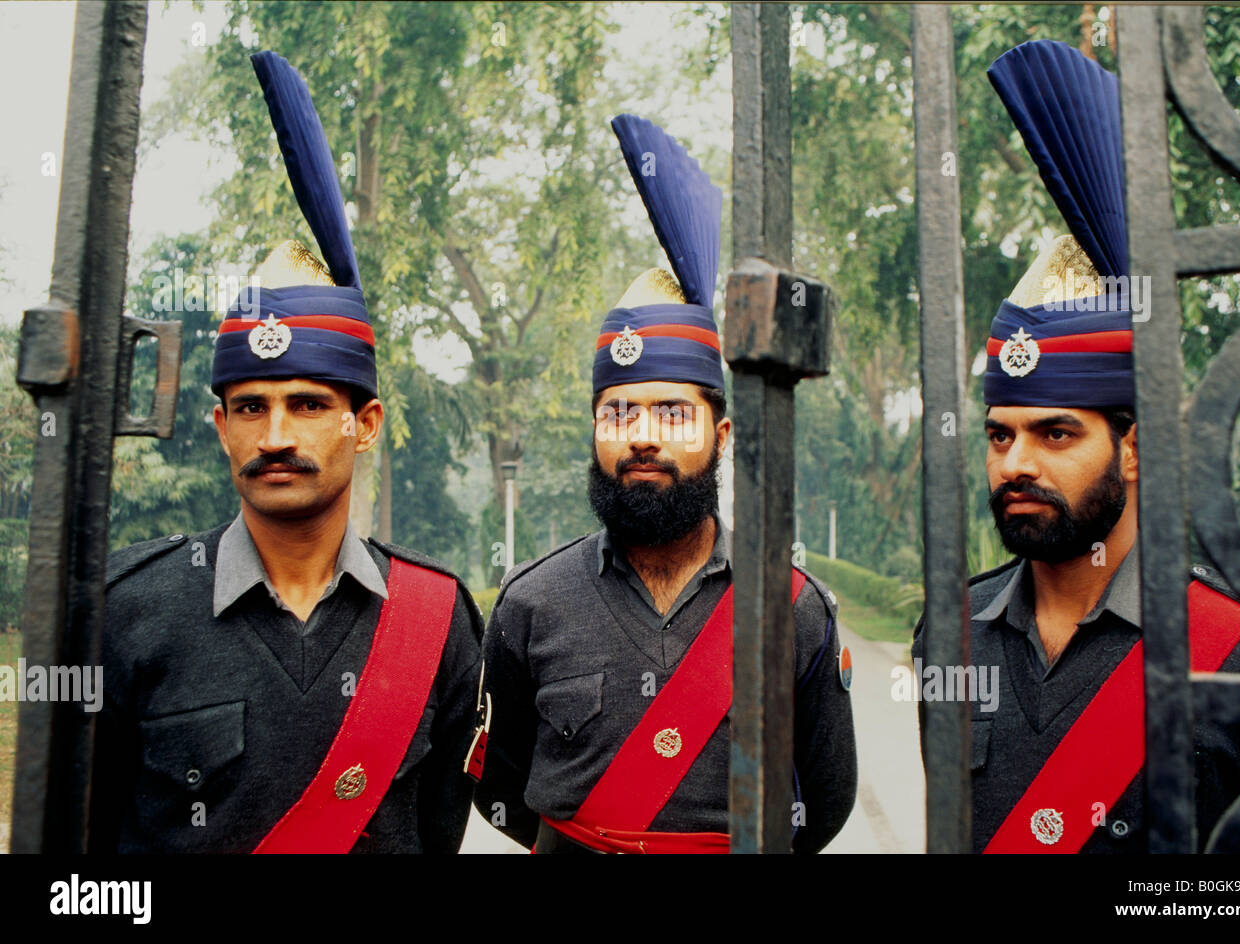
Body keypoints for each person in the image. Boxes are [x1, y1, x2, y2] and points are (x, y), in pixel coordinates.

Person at [90, 52, 482, 853]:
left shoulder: (437, 620)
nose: (275, 436)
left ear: (364, 423)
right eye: (250, 408)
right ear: (218, 424)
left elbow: (443, 835)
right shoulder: (127, 610)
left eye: (308, 405)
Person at [912, 40, 1240, 853]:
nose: (1015, 463)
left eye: (1056, 433)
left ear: (1135, 444)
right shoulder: (951, 633)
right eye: (999, 434)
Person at [470, 114, 856, 853]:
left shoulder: (795, 610)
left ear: (722, 434)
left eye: (673, 412)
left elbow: (825, 801)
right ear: (593, 432)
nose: (642, 436)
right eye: (618, 413)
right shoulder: (529, 601)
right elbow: (502, 795)